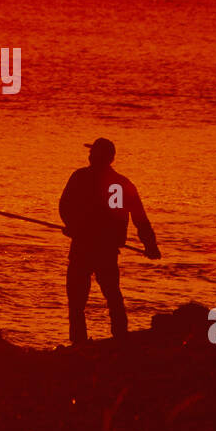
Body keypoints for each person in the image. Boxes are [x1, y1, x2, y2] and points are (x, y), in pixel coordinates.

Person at [58, 138, 160, 343]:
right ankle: (120, 337)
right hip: (106, 248)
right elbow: (140, 217)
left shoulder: (80, 177)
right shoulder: (123, 183)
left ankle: (79, 342)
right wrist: (150, 244)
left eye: (92, 152)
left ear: (97, 156)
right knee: (112, 295)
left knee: (77, 300)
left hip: (83, 246)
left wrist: (72, 226)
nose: (89, 156)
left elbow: (65, 206)